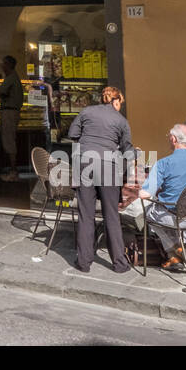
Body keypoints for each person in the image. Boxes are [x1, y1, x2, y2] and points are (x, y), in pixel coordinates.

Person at [67, 85, 133, 273]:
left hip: (85, 164)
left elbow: (72, 134)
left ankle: (83, 262)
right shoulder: (121, 120)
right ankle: (119, 264)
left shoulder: (86, 112)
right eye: (120, 102)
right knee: (111, 215)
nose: (120, 106)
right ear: (116, 100)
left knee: (85, 214)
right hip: (108, 167)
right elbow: (127, 150)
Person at [138, 124, 186, 273]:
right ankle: (184, 253)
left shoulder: (163, 164)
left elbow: (145, 194)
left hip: (173, 217)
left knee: (149, 212)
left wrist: (137, 189)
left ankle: (176, 252)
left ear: (173, 139)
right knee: (175, 210)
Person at [0, 55, 24, 180]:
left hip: (9, 112)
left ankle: (13, 172)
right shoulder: (14, 77)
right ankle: (13, 170)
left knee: (8, 140)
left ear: (8, 65)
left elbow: (0, 92)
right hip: (13, 112)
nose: (1, 66)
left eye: (3, 64)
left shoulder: (10, 78)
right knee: (10, 139)